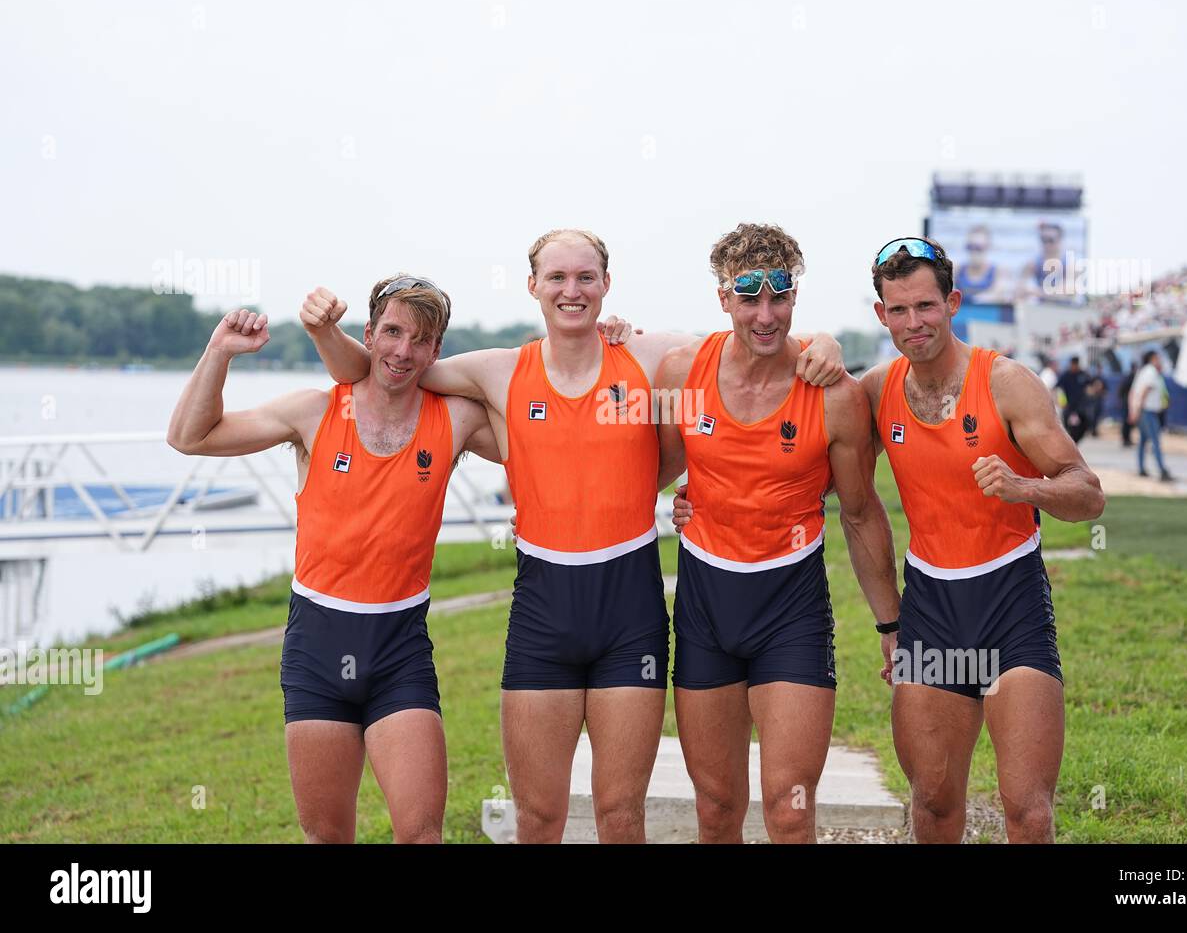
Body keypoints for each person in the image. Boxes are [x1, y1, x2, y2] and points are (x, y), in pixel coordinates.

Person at [300, 229, 846, 843]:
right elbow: (388, 369)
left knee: (621, 815)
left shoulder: (647, 358)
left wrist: (822, 343)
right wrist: (326, 334)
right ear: (532, 285)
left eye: (586, 277)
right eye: (557, 277)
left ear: (606, 284)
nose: (572, 290)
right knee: (538, 818)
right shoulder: (500, 371)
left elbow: (754, 343)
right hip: (543, 617)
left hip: (629, 616)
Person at [167, 275, 501, 843]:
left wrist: (605, 346)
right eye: (392, 332)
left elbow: (544, 442)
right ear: (368, 334)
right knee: (327, 838)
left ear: (436, 350)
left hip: (399, 650)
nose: (403, 351)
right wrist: (220, 351)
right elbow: (189, 436)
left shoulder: (457, 419)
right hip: (317, 649)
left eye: (420, 340)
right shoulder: (314, 411)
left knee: (422, 834)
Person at [657, 223, 898, 843]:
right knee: (716, 808)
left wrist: (892, 626)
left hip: (791, 610)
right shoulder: (682, 372)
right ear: (723, 298)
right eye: (749, 297)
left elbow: (860, 512)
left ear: (795, 295)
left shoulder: (833, 394)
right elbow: (647, 472)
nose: (766, 316)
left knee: (789, 811)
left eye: (780, 297)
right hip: (706, 608)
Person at [863, 237, 1103, 843]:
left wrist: (1025, 487)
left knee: (1027, 810)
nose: (914, 323)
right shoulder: (876, 390)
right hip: (930, 609)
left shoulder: (1006, 383)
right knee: (933, 804)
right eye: (899, 310)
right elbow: (808, 470)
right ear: (882, 315)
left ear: (953, 303)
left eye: (926, 306)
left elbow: (1088, 493)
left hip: (1010, 604)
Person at [1128, 350, 1174, 482]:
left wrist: (1134, 410)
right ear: (1153, 359)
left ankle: (1141, 468)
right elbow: (1144, 391)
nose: (1160, 361)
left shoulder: (1143, 371)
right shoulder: (1151, 372)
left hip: (1144, 411)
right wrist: (1137, 410)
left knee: (1143, 440)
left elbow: (1134, 392)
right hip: (1147, 411)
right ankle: (1162, 470)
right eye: (1158, 358)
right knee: (1155, 440)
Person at [1117, 362, 1138, 447]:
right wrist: (1122, 400)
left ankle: (1127, 438)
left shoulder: (1131, 377)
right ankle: (1125, 439)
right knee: (1126, 422)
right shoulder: (1130, 378)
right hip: (1127, 403)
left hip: (1129, 403)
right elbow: (1122, 390)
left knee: (1129, 422)